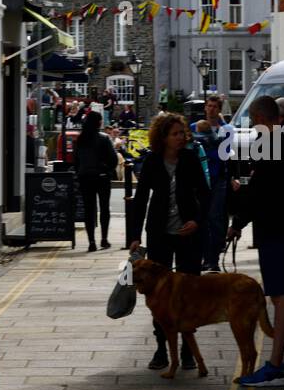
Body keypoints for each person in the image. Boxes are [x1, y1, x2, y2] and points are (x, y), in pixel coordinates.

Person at [227, 95, 284, 388]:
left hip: (274, 229)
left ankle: (274, 366)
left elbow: (256, 194)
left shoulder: (266, 146)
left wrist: (237, 223)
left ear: (261, 119)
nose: (252, 127)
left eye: (253, 121)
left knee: (282, 295)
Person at [127, 113, 210, 370]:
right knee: (158, 293)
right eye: (175, 134)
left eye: (182, 133)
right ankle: (161, 348)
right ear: (163, 137)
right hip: (160, 233)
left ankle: (187, 351)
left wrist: (197, 221)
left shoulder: (190, 159)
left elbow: (205, 195)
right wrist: (134, 235)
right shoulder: (152, 162)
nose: (181, 137)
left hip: (188, 234)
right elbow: (140, 200)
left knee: (189, 292)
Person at [195, 93, 232, 272]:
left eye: (214, 107)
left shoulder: (226, 129)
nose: (210, 109)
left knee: (215, 219)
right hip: (199, 179)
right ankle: (203, 256)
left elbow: (223, 155)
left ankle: (213, 258)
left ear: (219, 109)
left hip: (218, 179)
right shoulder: (195, 127)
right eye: (208, 106)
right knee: (200, 219)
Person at [73, 109, 116, 251]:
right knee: (104, 209)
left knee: (88, 210)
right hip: (102, 178)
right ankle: (104, 239)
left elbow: (76, 160)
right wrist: (108, 170)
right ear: (98, 123)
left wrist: (80, 172)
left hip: (85, 177)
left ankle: (91, 242)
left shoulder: (80, 139)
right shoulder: (104, 138)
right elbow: (113, 159)